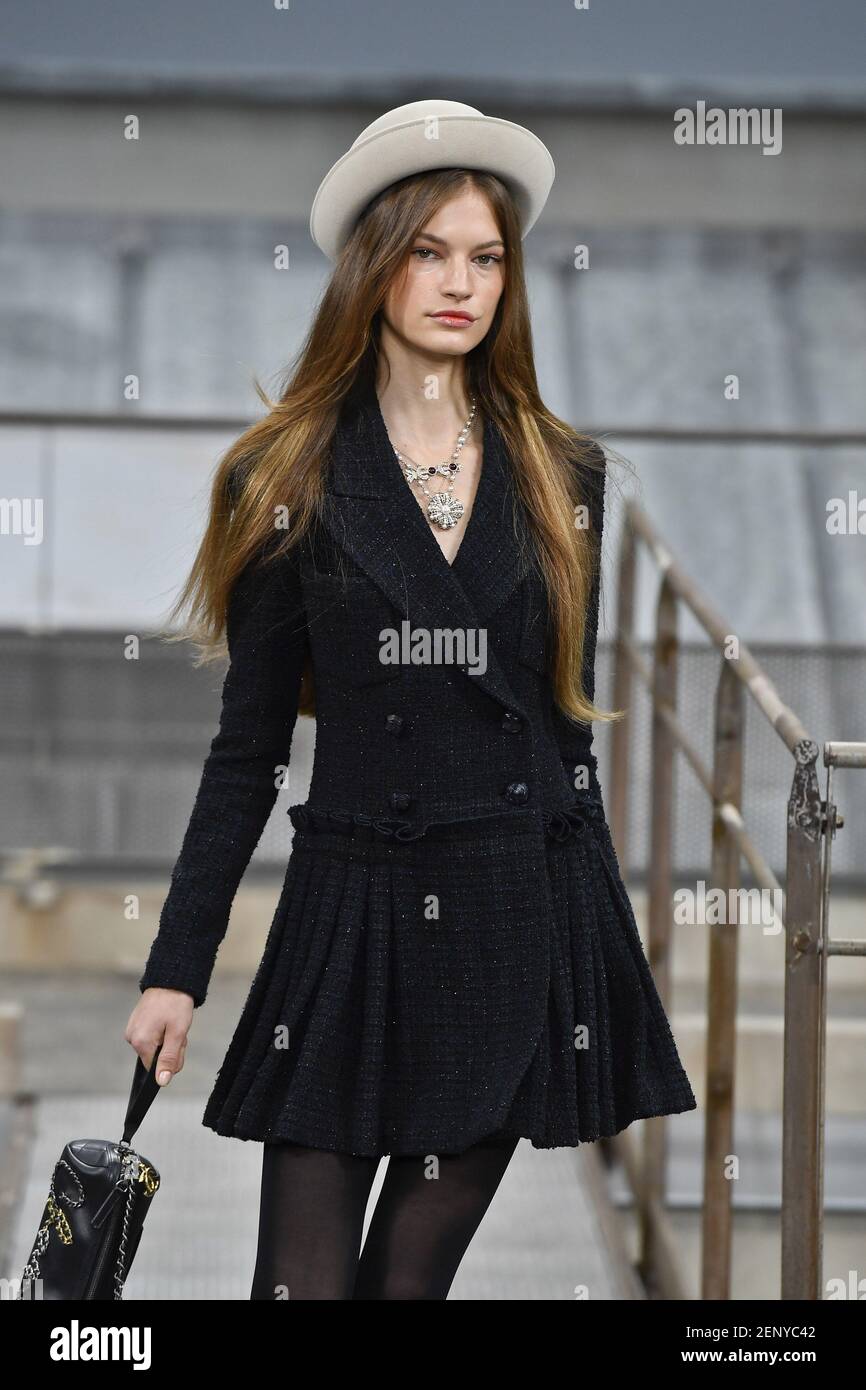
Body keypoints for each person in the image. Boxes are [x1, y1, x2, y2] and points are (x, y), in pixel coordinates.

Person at [125, 99, 697, 1300]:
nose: (460, 283)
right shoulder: (283, 474)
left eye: (484, 257)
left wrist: (591, 969)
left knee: (403, 1289)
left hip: (508, 917)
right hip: (350, 912)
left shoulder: (562, 474)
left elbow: (561, 730)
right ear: (372, 265)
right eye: (429, 252)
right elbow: (248, 753)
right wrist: (175, 969)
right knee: (301, 1285)